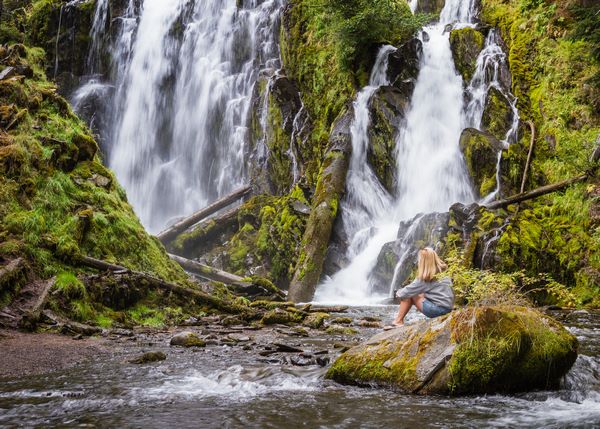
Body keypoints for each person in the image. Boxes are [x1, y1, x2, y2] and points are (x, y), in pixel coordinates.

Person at [389, 247, 454, 327]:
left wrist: (397, 293)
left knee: (410, 294)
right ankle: (398, 321)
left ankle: (398, 321)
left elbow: (404, 293)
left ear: (423, 262)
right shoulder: (443, 272)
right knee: (419, 293)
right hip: (448, 309)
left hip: (438, 311)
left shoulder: (425, 278)